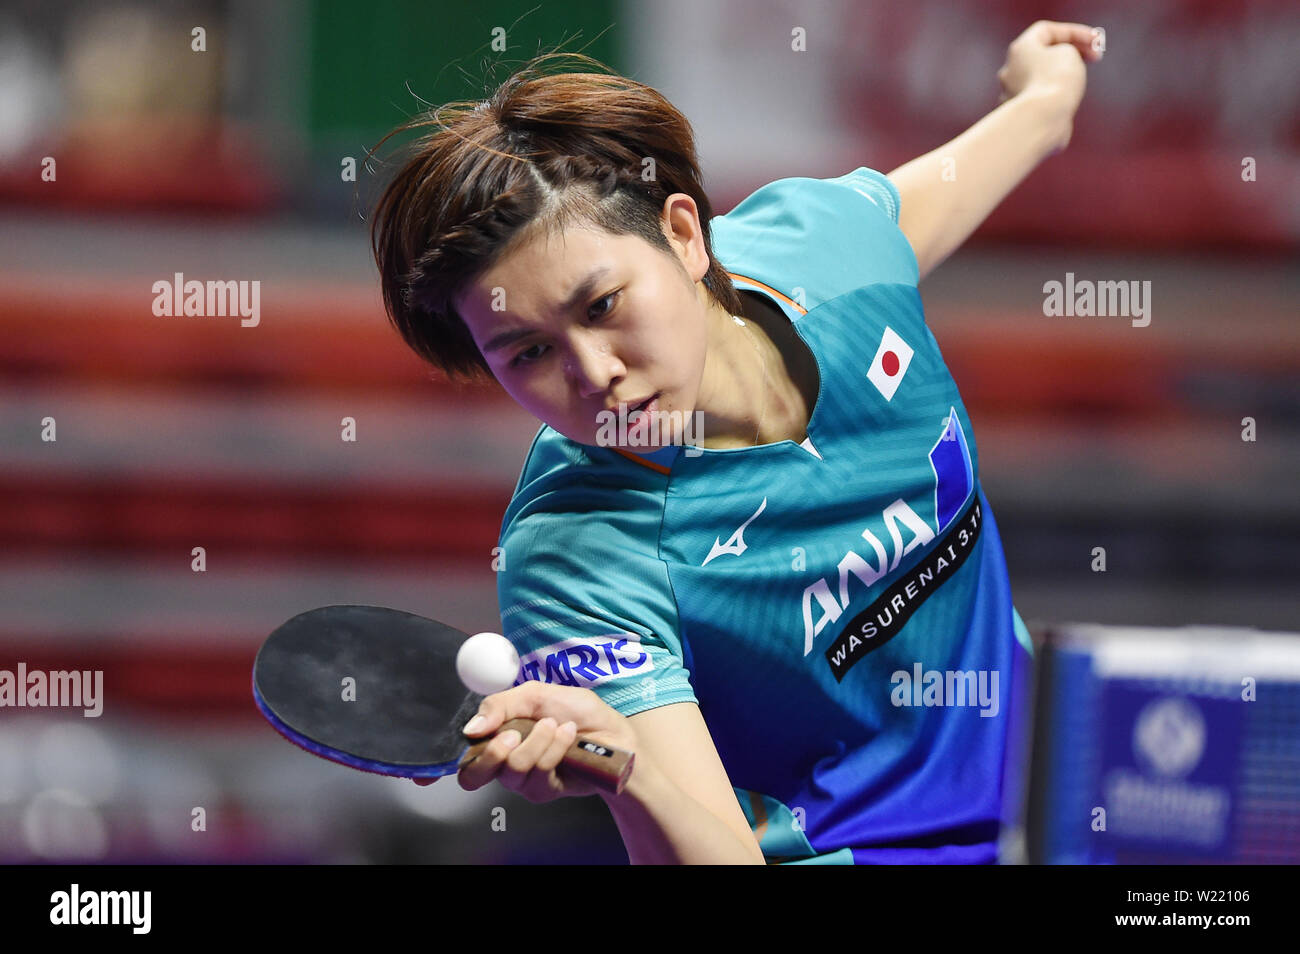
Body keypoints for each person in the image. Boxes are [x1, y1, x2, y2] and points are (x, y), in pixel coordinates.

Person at [370, 21, 1103, 864]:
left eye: (601, 305)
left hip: (1058, 809)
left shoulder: (833, 249)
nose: (593, 372)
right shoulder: (577, 553)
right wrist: (629, 773)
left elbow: (1023, 132)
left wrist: (1045, 89)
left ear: (684, 236)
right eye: (528, 353)